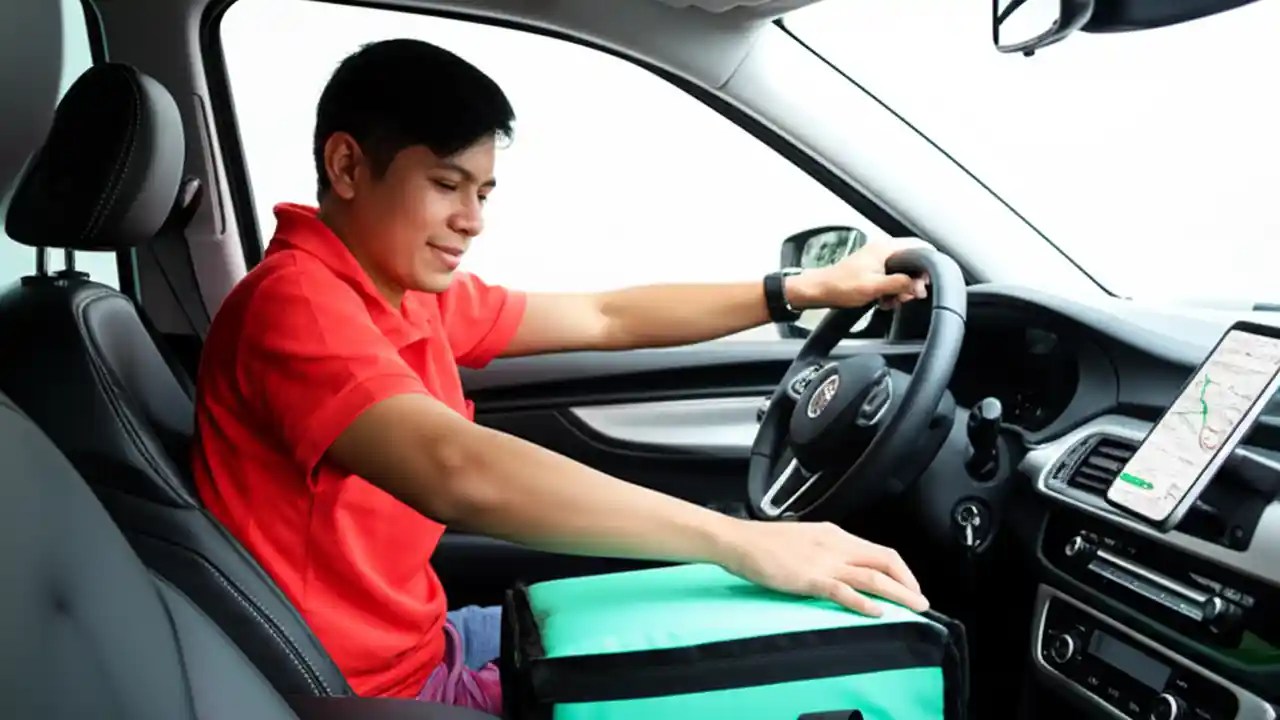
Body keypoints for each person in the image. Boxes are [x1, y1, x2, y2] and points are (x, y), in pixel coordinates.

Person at [191, 38, 933, 714]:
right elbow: (455, 470)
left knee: (745, 637)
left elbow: (605, 317)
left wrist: (801, 289)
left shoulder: (399, 293)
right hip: (373, 692)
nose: (472, 219)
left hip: (428, 638)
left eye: (482, 193)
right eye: (447, 184)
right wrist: (738, 540)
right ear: (348, 166)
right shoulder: (298, 305)